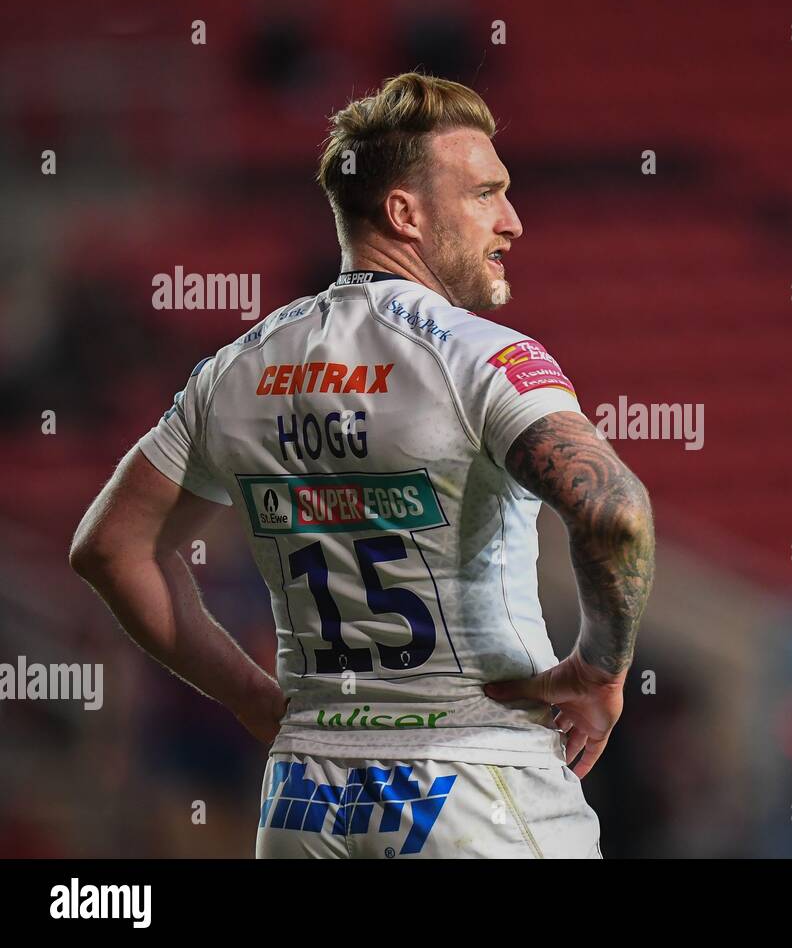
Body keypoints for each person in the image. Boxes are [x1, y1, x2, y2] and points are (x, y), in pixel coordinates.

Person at [68, 72, 655, 859]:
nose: (511, 221)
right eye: (486, 194)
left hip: (305, 797)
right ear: (406, 214)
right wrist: (600, 671)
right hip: (475, 784)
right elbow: (614, 514)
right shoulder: (484, 358)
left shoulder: (237, 369)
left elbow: (111, 548)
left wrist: (251, 697)